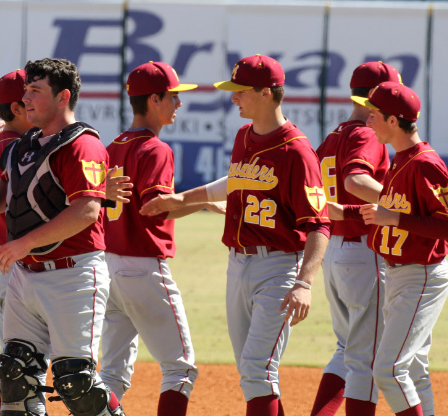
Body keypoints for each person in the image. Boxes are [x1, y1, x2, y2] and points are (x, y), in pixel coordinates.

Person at [141, 55, 331, 415]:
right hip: (238, 265)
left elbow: (319, 224)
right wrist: (182, 199)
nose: (233, 98)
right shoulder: (245, 136)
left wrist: (304, 283)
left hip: (279, 268)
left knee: (258, 370)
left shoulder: (296, 150)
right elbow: (235, 181)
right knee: (252, 372)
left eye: (240, 91)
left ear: (265, 93)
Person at [0, 57, 124, 416]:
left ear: (63, 97)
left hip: (72, 274)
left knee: (76, 383)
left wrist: (22, 244)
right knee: (14, 376)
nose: (25, 99)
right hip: (25, 275)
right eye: (25, 91)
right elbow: (2, 199)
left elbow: (87, 211)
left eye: (36, 91)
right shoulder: (24, 145)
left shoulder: (82, 144)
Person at [99, 61, 212, 416]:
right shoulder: (155, 148)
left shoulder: (113, 145)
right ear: (153, 100)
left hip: (108, 267)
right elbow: (154, 208)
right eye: (173, 96)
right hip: (142, 268)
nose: (179, 103)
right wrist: (203, 201)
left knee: (111, 374)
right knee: (180, 369)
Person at [355, 82, 448, 416]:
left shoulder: (424, 163)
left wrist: (394, 218)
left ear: (393, 120)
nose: (368, 120)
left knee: (388, 370)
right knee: (414, 368)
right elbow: (393, 215)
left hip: (422, 275)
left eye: (373, 114)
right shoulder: (400, 159)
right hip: (400, 274)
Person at [310, 61, 401, 416]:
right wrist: (405, 203)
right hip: (364, 252)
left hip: (335, 252)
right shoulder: (367, 133)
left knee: (347, 348)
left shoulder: (334, 136)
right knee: (367, 358)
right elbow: (356, 181)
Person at [0, 68, 33, 408]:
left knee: (16, 358)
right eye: (30, 98)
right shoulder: (19, 147)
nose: (36, 104)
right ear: (15, 108)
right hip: (11, 258)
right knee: (24, 360)